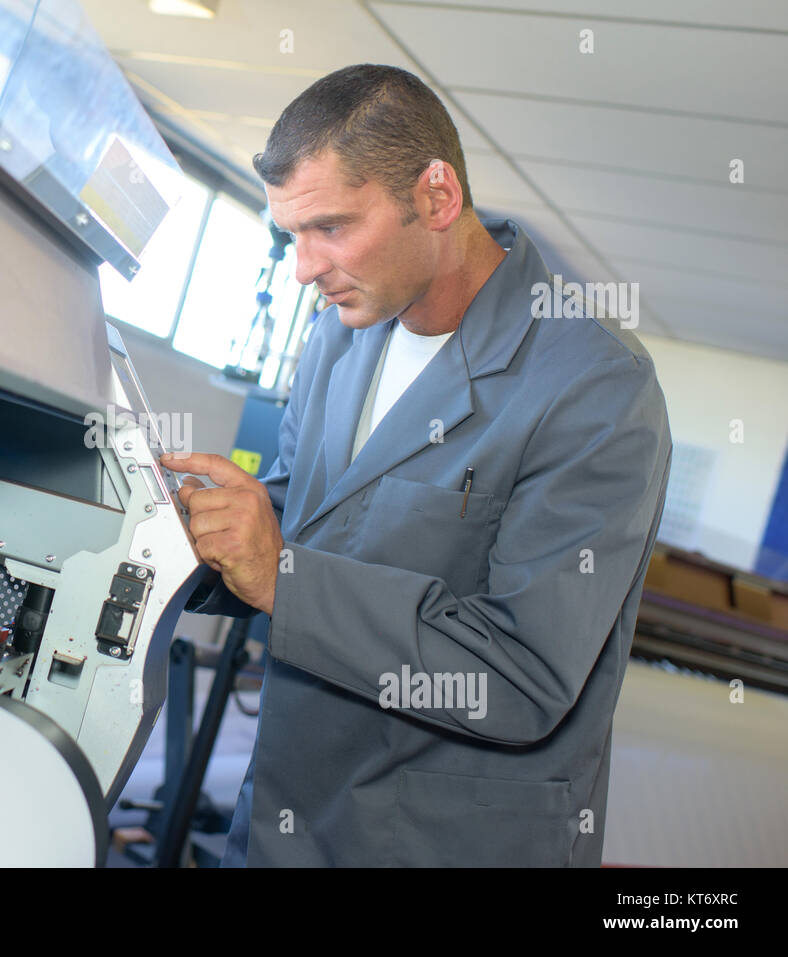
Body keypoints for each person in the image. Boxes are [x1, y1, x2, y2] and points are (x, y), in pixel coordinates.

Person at [161, 64, 672, 867]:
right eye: (290, 235)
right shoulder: (341, 332)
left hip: (435, 841)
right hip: (285, 814)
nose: (303, 268)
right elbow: (317, 516)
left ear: (436, 197)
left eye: (330, 226)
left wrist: (283, 578)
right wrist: (194, 528)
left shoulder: (595, 386)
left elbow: (523, 673)